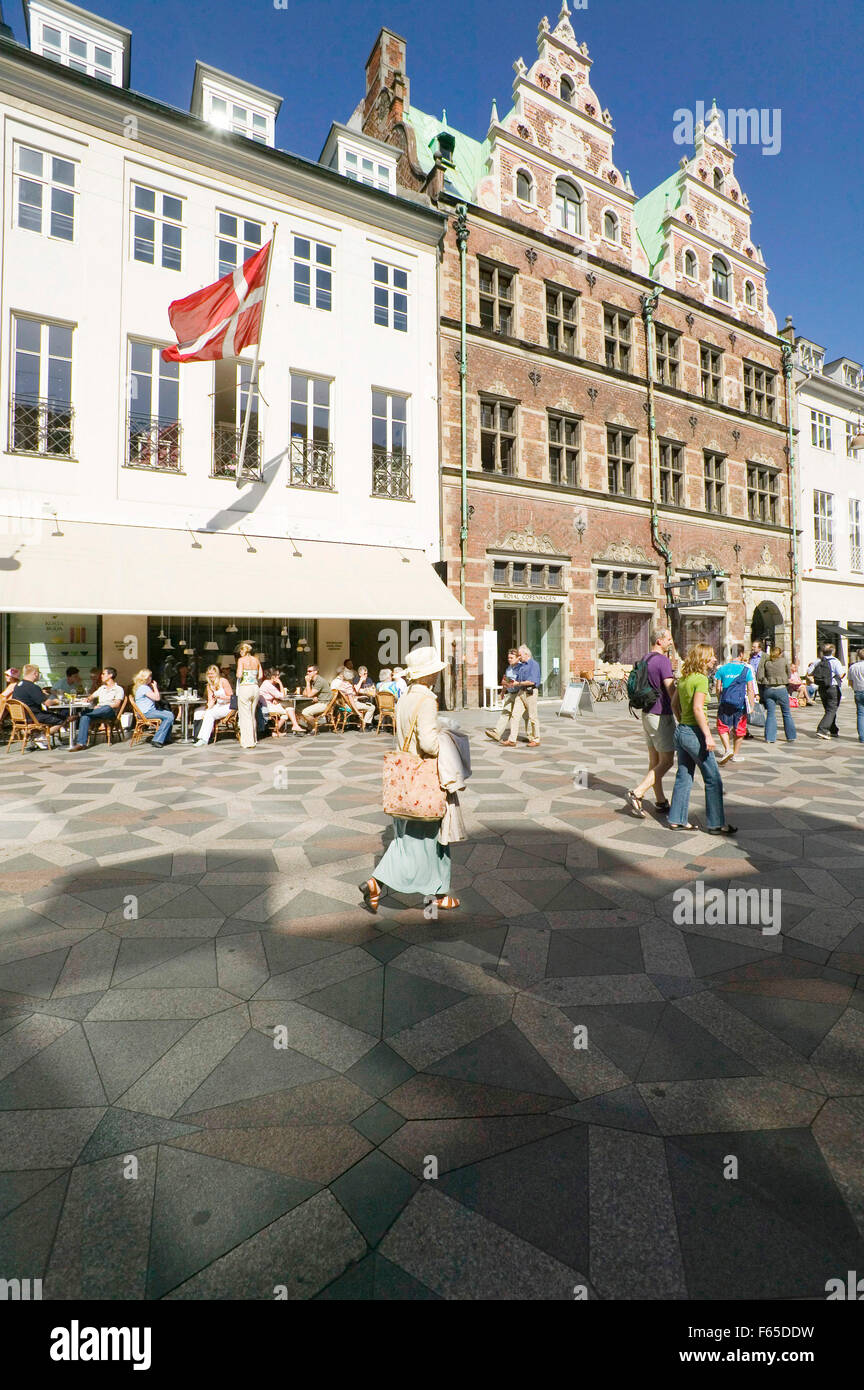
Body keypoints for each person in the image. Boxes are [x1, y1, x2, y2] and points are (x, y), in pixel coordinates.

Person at [361, 644, 458, 913]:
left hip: (404, 777)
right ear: (428, 675)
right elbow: (428, 744)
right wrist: (447, 742)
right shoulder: (426, 700)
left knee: (406, 838)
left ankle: (434, 892)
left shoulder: (403, 698)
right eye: (435, 672)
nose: (437, 676)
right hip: (424, 778)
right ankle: (379, 884)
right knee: (428, 838)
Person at [668, 644, 735, 835]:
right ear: (703, 659)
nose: (715, 660)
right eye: (712, 656)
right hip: (695, 733)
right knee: (713, 779)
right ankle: (716, 823)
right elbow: (698, 708)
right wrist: (707, 735)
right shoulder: (701, 679)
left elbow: (674, 705)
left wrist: (683, 722)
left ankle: (676, 819)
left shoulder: (684, 679)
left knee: (684, 775)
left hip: (682, 731)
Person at [625, 626, 676, 817]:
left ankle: (661, 801)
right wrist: (678, 711)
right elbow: (670, 690)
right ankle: (637, 793)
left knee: (655, 760)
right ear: (659, 641)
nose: (671, 642)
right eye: (668, 639)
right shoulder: (663, 661)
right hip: (661, 715)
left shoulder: (645, 658)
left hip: (646, 714)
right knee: (667, 761)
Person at [714, 642, 756, 763]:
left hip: (725, 703)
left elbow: (718, 688)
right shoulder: (746, 670)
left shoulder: (722, 669)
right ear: (741, 654)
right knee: (740, 728)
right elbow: (750, 689)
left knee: (722, 726)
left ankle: (727, 749)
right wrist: (752, 706)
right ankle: (735, 754)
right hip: (740, 704)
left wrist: (719, 699)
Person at [10, 665, 70, 749]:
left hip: (21, 718)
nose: (39, 675)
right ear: (35, 674)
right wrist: (56, 701)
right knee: (62, 718)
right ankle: (42, 737)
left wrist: (44, 693)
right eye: (39, 673)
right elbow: (47, 703)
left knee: (49, 714)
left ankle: (36, 735)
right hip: (34, 716)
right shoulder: (33, 687)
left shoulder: (18, 685)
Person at [69, 667, 125, 751]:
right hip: (98, 712)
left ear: (110, 675)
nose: (101, 676)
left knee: (106, 707)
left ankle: (79, 714)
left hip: (109, 712)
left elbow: (117, 704)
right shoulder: (102, 688)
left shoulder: (118, 689)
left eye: (103, 674)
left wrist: (104, 707)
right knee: (85, 717)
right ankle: (81, 744)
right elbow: (91, 696)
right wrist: (87, 699)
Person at [756, 645, 796, 744]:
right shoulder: (783, 661)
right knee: (786, 713)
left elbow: (760, 676)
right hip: (781, 689)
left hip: (769, 689)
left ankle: (770, 738)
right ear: (780, 653)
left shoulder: (767, 662)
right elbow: (789, 674)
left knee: (770, 713)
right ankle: (791, 736)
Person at [132, 669, 174, 748]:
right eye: (150, 676)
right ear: (145, 678)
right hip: (146, 713)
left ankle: (166, 737)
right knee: (169, 716)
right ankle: (157, 739)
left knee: (169, 714)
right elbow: (157, 698)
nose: (151, 678)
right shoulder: (144, 688)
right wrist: (155, 687)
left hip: (145, 712)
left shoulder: (141, 687)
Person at [193, 665, 234, 745]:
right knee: (198, 712)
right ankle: (197, 737)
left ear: (217, 673)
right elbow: (211, 700)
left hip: (228, 706)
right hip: (218, 705)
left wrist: (221, 697)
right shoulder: (209, 685)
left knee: (210, 714)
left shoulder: (223, 681)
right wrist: (207, 709)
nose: (210, 675)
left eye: (212, 673)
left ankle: (204, 739)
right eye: (209, 674)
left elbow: (231, 697)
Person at [813, 643, 845, 740]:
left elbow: (809, 672)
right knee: (832, 709)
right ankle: (822, 729)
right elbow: (841, 674)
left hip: (822, 687)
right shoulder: (835, 661)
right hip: (832, 687)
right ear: (833, 651)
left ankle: (833, 730)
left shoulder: (818, 661)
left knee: (829, 709)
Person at [235, 641, 262, 749]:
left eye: (240, 650)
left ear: (243, 650)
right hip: (255, 688)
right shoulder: (256, 660)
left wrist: (240, 674)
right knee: (252, 714)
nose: (240, 652)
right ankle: (254, 738)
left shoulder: (241, 660)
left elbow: (239, 674)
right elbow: (260, 676)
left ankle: (248, 742)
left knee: (245, 715)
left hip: (245, 687)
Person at [299, 665, 332, 734]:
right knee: (298, 708)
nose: (308, 673)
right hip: (318, 702)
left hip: (324, 704)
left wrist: (307, 682)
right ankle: (308, 726)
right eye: (307, 671)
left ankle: (315, 727)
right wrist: (309, 684)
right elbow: (304, 693)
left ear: (316, 672)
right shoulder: (312, 681)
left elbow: (309, 695)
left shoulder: (319, 681)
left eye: (310, 671)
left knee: (305, 712)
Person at [847, 648, 864, 744]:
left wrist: (855, 688)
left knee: (861, 714)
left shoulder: (853, 667)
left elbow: (850, 682)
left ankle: (862, 737)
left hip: (858, 691)